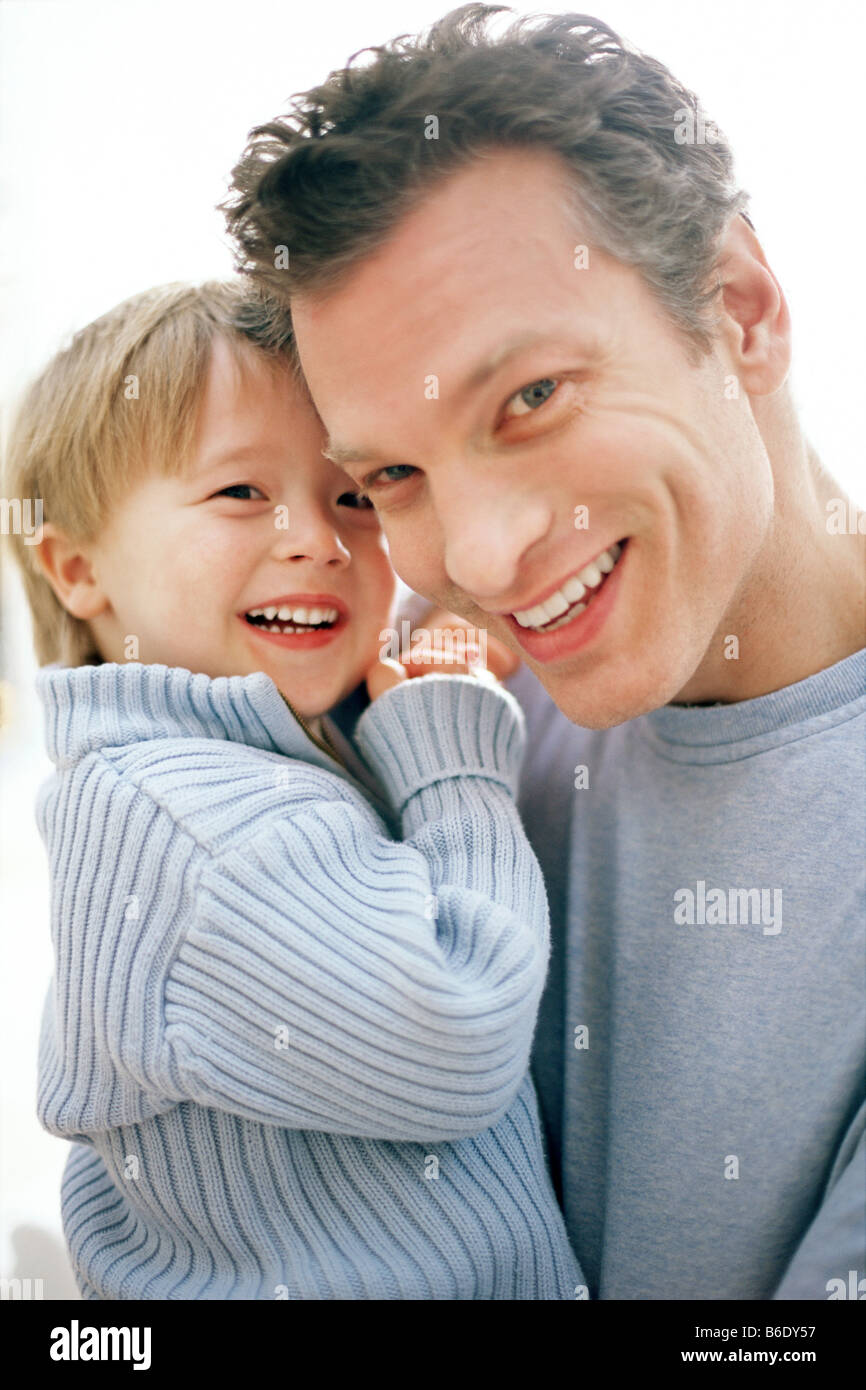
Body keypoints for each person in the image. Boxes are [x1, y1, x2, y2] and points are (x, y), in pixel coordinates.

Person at [223, 5, 866, 1298]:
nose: (487, 550)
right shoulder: (429, 701)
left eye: (529, 399)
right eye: (393, 473)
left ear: (738, 311)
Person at [4, 278, 584, 1299]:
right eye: (240, 493)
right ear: (75, 567)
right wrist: (448, 743)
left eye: (355, 497)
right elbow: (457, 1025)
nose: (317, 538)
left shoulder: (250, 767)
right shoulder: (184, 814)